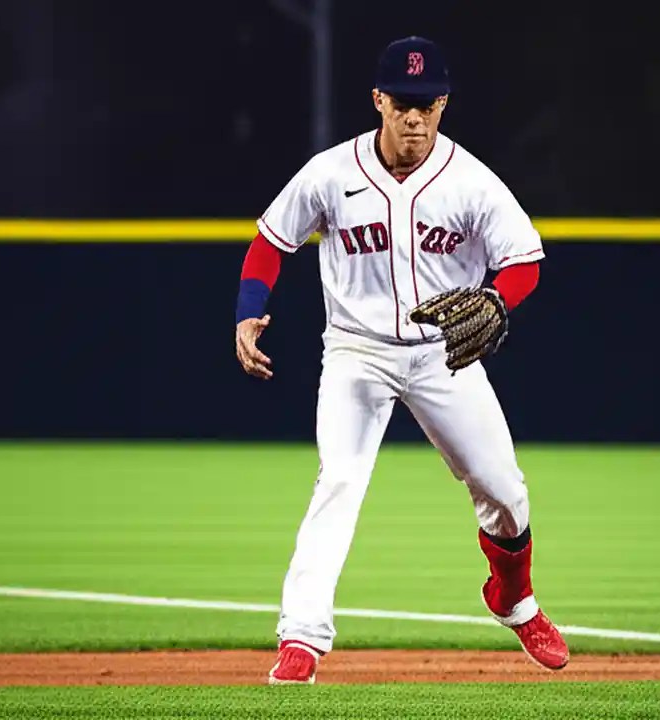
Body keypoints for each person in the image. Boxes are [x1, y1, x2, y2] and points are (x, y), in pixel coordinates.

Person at [234, 36, 567, 686]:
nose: (415, 118)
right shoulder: (333, 171)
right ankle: (301, 637)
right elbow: (269, 242)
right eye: (403, 103)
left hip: (446, 354)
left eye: (427, 104)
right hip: (358, 353)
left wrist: (498, 300)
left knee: (504, 491)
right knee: (339, 481)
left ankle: (514, 599)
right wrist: (248, 310)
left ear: (443, 103)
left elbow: (525, 260)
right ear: (378, 100)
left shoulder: (470, 180)